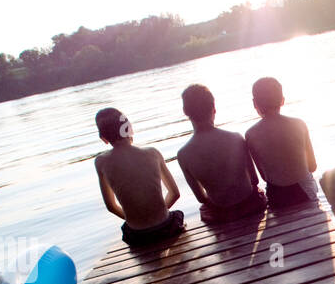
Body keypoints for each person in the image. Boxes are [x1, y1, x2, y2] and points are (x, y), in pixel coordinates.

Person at [175, 84, 267, 226]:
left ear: (185, 111)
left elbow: (201, 198)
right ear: (214, 108)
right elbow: (254, 180)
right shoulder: (236, 138)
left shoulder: (183, 154)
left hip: (222, 214)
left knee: (205, 209)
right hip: (250, 205)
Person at [94, 107, 184, 247]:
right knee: (178, 215)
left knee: (127, 228)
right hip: (166, 228)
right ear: (129, 128)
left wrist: (133, 219)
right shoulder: (153, 153)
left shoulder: (101, 162)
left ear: (103, 138)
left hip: (138, 236)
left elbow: (111, 206)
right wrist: (159, 213)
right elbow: (175, 193)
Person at [245, 77, 319, 211]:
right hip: (305, 193)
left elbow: (264, 176)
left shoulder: (250, 134)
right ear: (282, 100)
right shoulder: (299, 124)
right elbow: (312, 166)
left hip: (277, 197)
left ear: (255, 103)